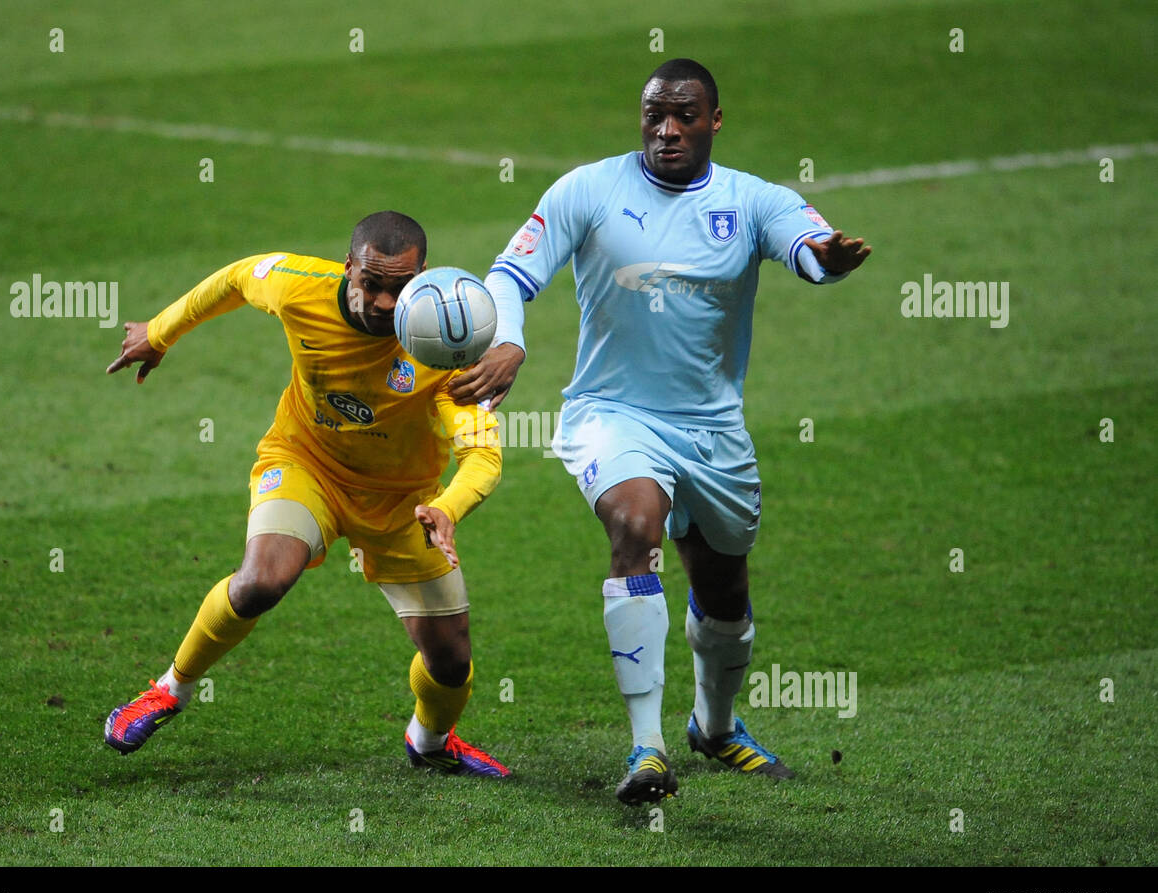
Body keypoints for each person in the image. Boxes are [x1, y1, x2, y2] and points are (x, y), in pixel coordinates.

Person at [452, 59, 870, 803]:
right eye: (653, 114)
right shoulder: (587, 189)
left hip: (712, 430)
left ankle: (714, 726)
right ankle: (646, 752)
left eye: (684, 115)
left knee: (724, 589)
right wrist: (508, 340)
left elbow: (809, 246)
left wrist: (826, 262)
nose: (666, 129)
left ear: (715, 120)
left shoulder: (752, 200)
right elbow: (508, 277)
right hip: (610, 414)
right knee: (636, 527)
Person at [102, 210, 509, 777]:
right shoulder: (301, 288)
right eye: (372, 283)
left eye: (401, 287)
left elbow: (482, 455)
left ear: (425, 276)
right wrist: (159, 331)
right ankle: (171, 688)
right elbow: (239, 277)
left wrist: (446, 507)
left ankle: (431, 740)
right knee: (262, 581)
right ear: (348, 270)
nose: (386, 302)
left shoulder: (445, 348)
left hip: (402, 505)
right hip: (306, 465)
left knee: (450, 660)